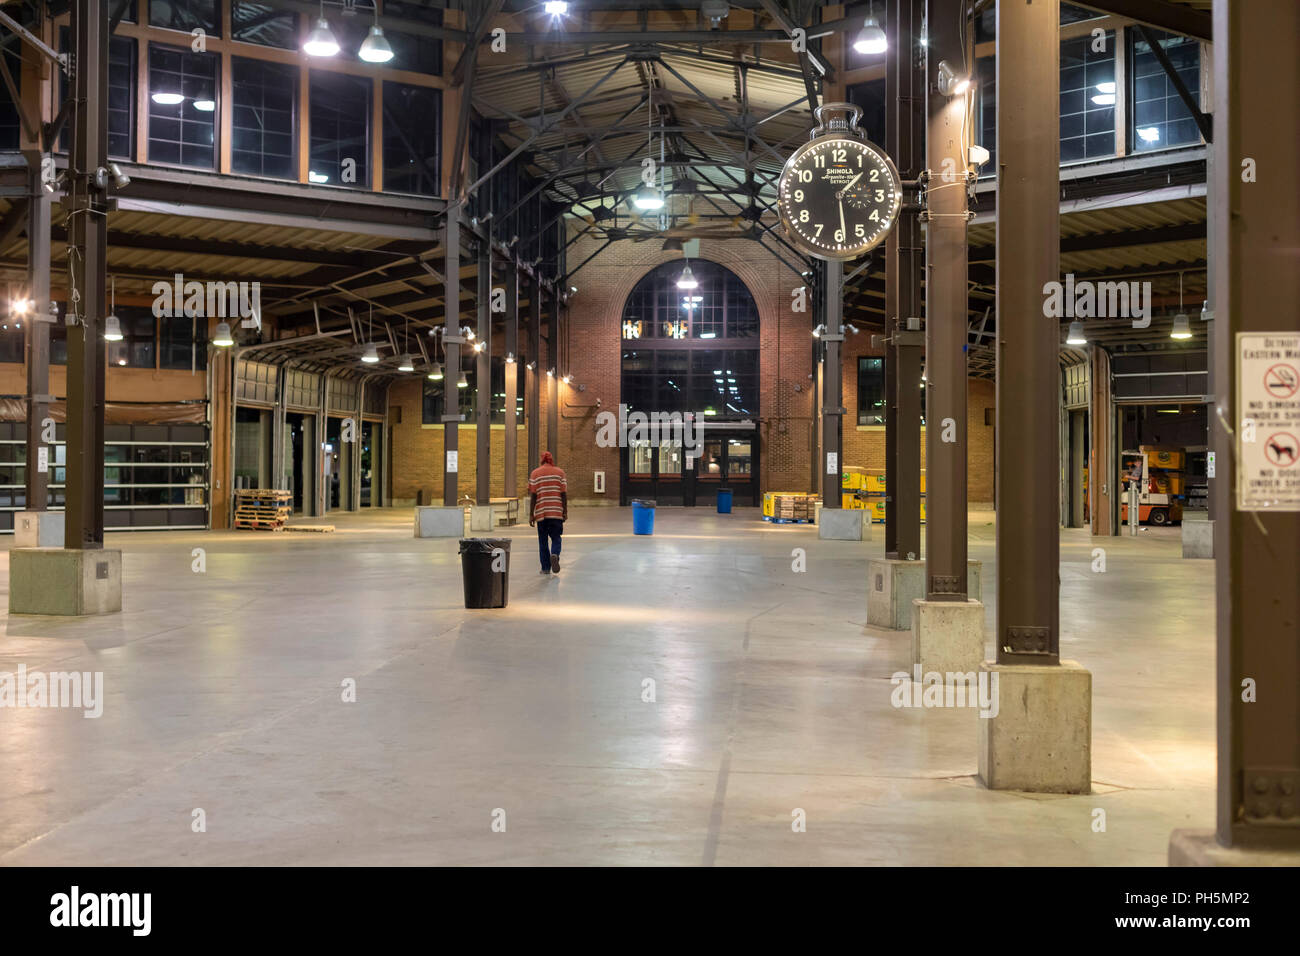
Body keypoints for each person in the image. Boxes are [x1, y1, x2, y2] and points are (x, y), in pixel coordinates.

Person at [528, 451, 568, 575]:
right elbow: (564, 494)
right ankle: (555, 554)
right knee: (556, 537)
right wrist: (564, 511)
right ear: (551, 460)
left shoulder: (535, 473)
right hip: (556, 512)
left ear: (542, 460)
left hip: (541, 512)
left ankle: (545, 568)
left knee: (543, 541)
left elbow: (533, 495)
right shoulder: (560, 473)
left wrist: (531, 514)